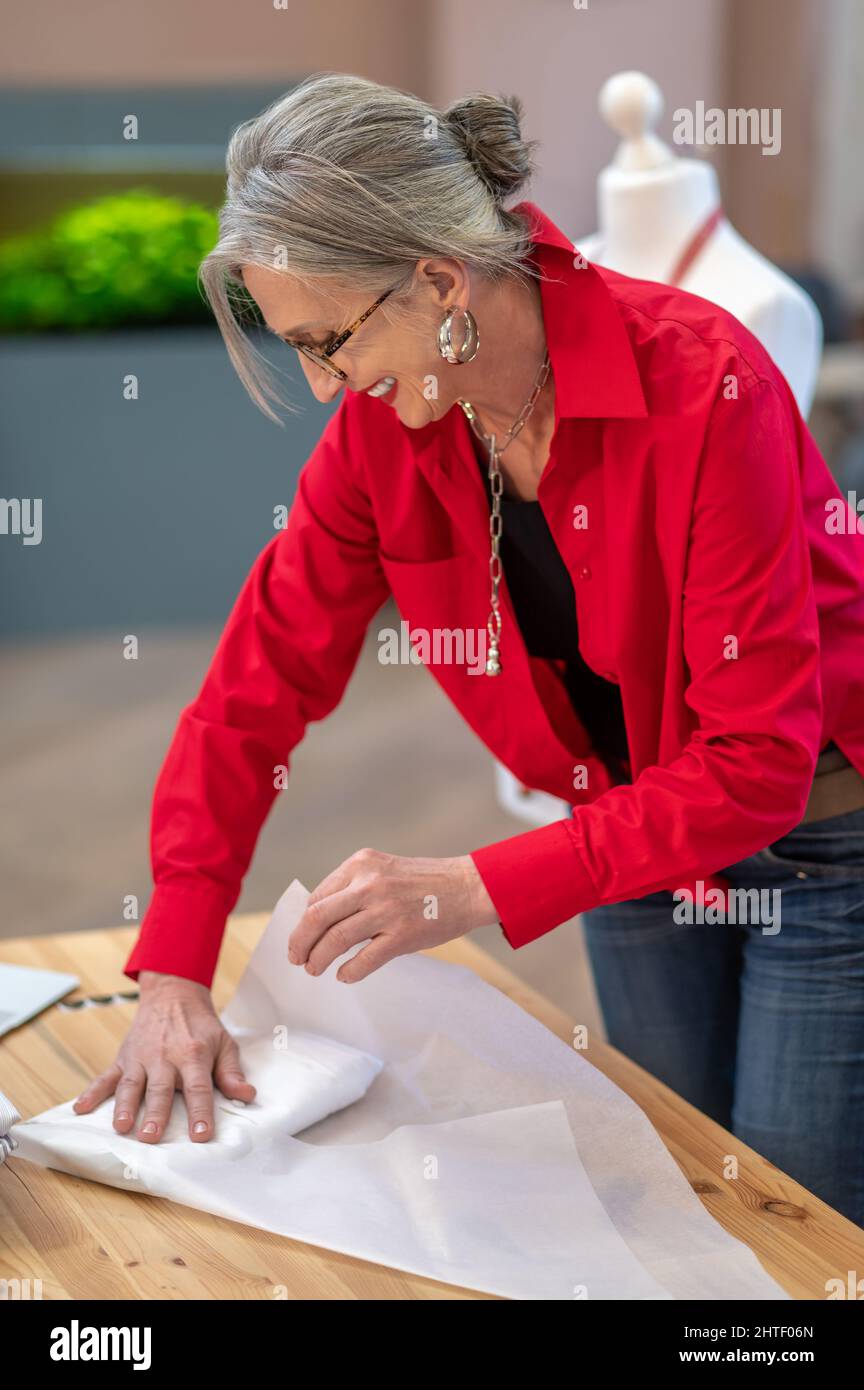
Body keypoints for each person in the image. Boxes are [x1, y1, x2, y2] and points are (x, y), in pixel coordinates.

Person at [73, 74, 864, 1227]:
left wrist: (469, 885)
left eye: (329, 340)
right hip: (627, 832)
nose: (323, 384)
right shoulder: (379, 442)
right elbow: (254, 691)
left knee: (795, 1221)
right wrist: (177, 963)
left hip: (820, 844)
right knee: (681, 1197)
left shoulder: (704, 377)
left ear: (441, 280)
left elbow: (757, 763)